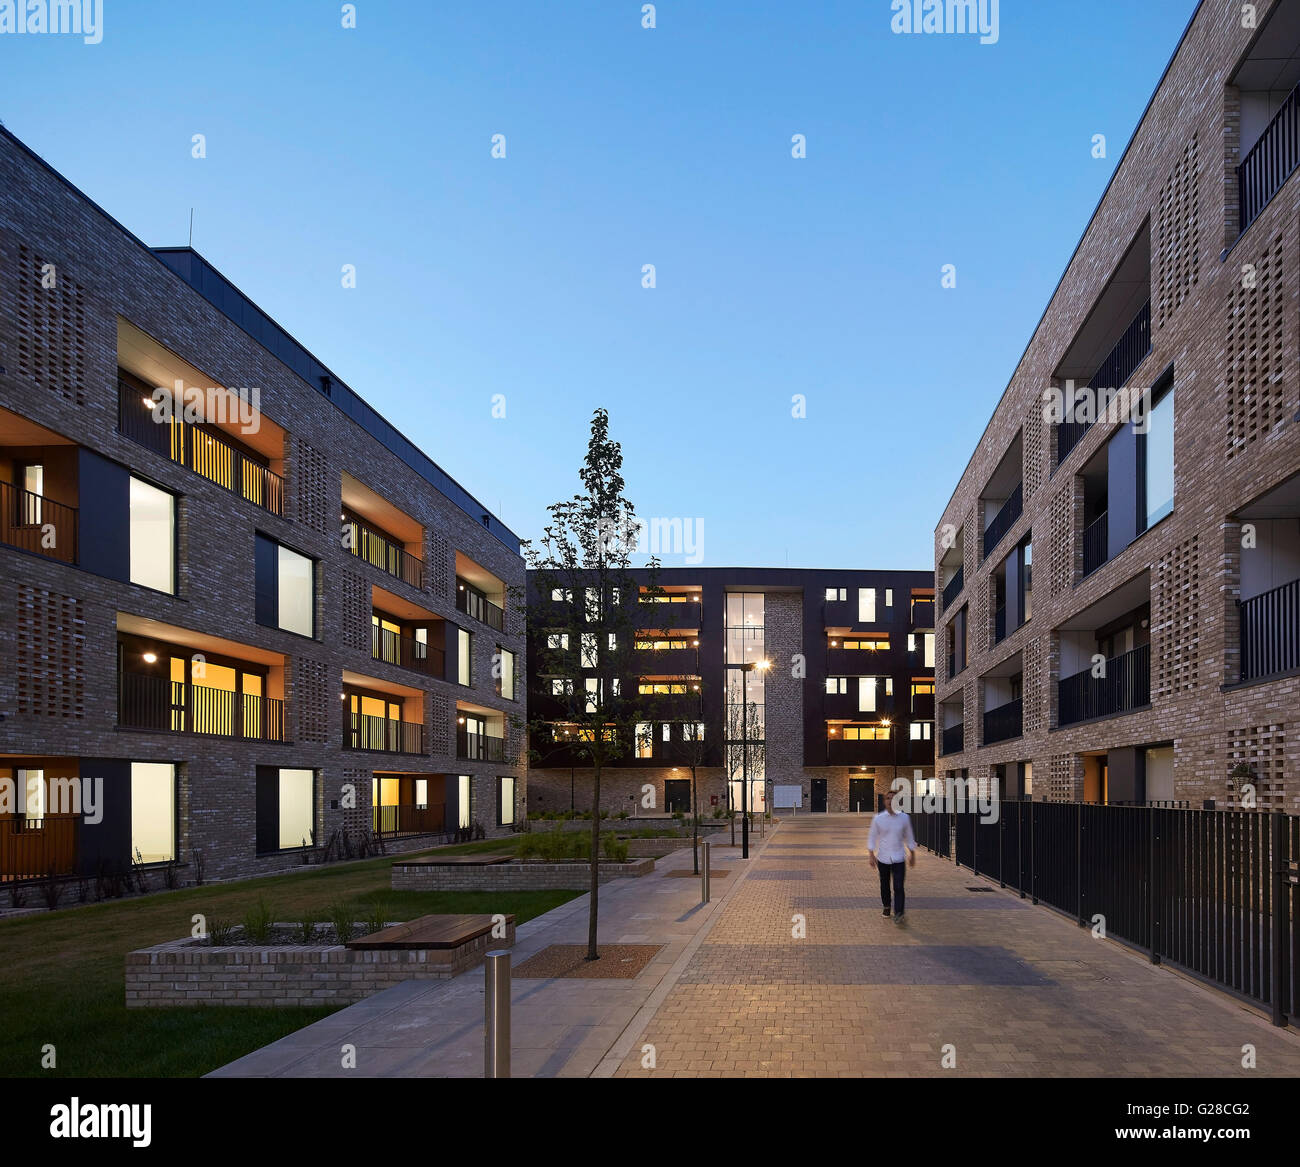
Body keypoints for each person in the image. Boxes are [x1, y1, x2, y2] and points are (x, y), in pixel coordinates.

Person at [867, 799, 916, 922]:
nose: (891, 801)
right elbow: (872, 837)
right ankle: (887, 906)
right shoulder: (878, 818)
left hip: (899, 857)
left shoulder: (904, 818)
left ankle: (899, 912)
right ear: (885, 801)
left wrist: (912, 853)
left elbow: (909, 836)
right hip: (883, 857)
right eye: (888, 798)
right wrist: (871, 854)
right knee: (884, 885)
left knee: (899, 886)